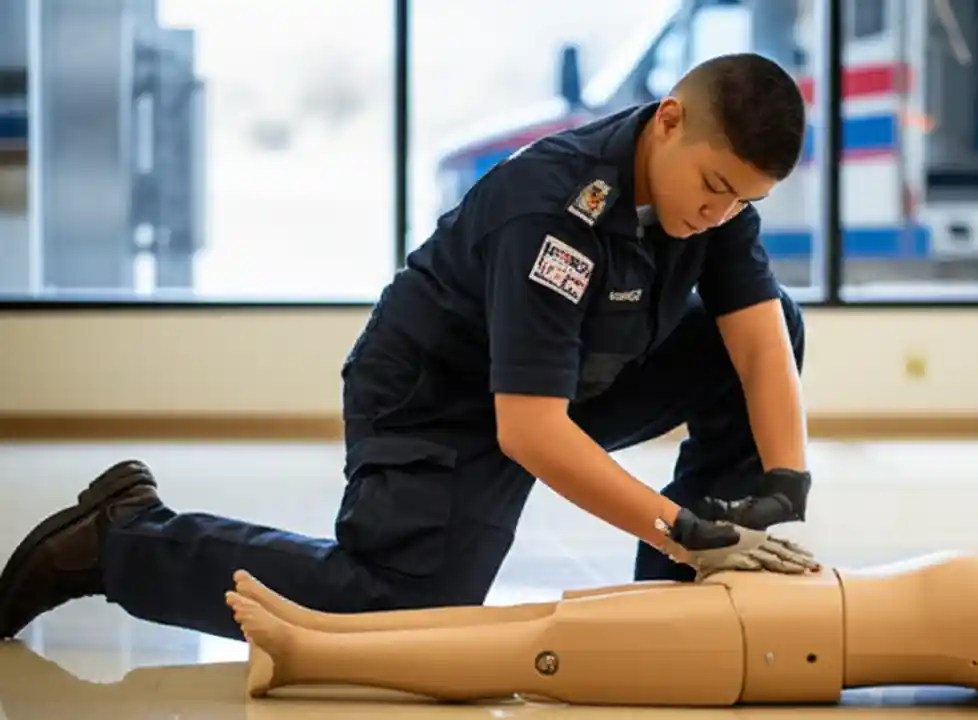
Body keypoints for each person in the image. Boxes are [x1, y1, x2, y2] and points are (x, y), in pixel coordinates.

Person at [0, 52, 821, 642]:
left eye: (742, 202)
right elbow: (527, 434)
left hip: (562, 378)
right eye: (715, 189)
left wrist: (785, 487)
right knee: (398, 614)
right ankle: (124, 538)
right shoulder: (553, 209)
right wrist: (676, 523)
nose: (720, 214)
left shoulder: (713, 204)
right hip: (440, 403)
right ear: (667, 121)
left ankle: (687, 603)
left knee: (776, 322)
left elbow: (758, 345)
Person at [219, 551, 978, 705]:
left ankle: (307, 653)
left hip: (760, 651)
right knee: (528, 618)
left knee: (523, 654)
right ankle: (320, 625)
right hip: (775, 611)